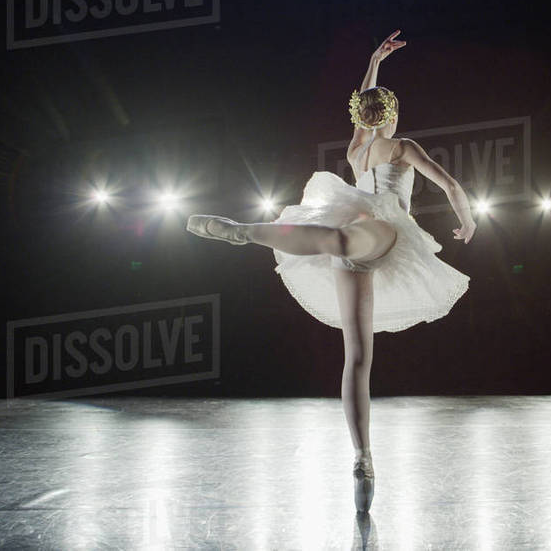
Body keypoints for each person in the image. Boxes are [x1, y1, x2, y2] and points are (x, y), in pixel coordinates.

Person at [186, 30, 477, 513]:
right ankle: (362, 458)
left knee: (356, 353)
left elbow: (364, 108)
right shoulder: (402, 147)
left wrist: (372, 62)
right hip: (382, 230)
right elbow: (450, 184)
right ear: (394, 116)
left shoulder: (356, 151)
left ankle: (363, 456)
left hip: (351, 231)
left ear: (360, 117)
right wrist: (467, 219)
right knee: (358, 338)